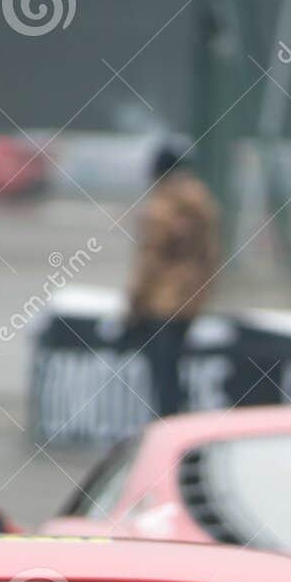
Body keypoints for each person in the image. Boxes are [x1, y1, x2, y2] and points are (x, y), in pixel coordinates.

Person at [126, 137, 222, 418]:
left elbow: (149, 263)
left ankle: (167, 429)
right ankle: (182, 425)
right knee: (178, 374)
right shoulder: (205, 205)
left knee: (163, 378)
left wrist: (134, 303)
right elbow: (211, 256)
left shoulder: (160, 209)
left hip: (161, 303)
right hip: (191, 301)